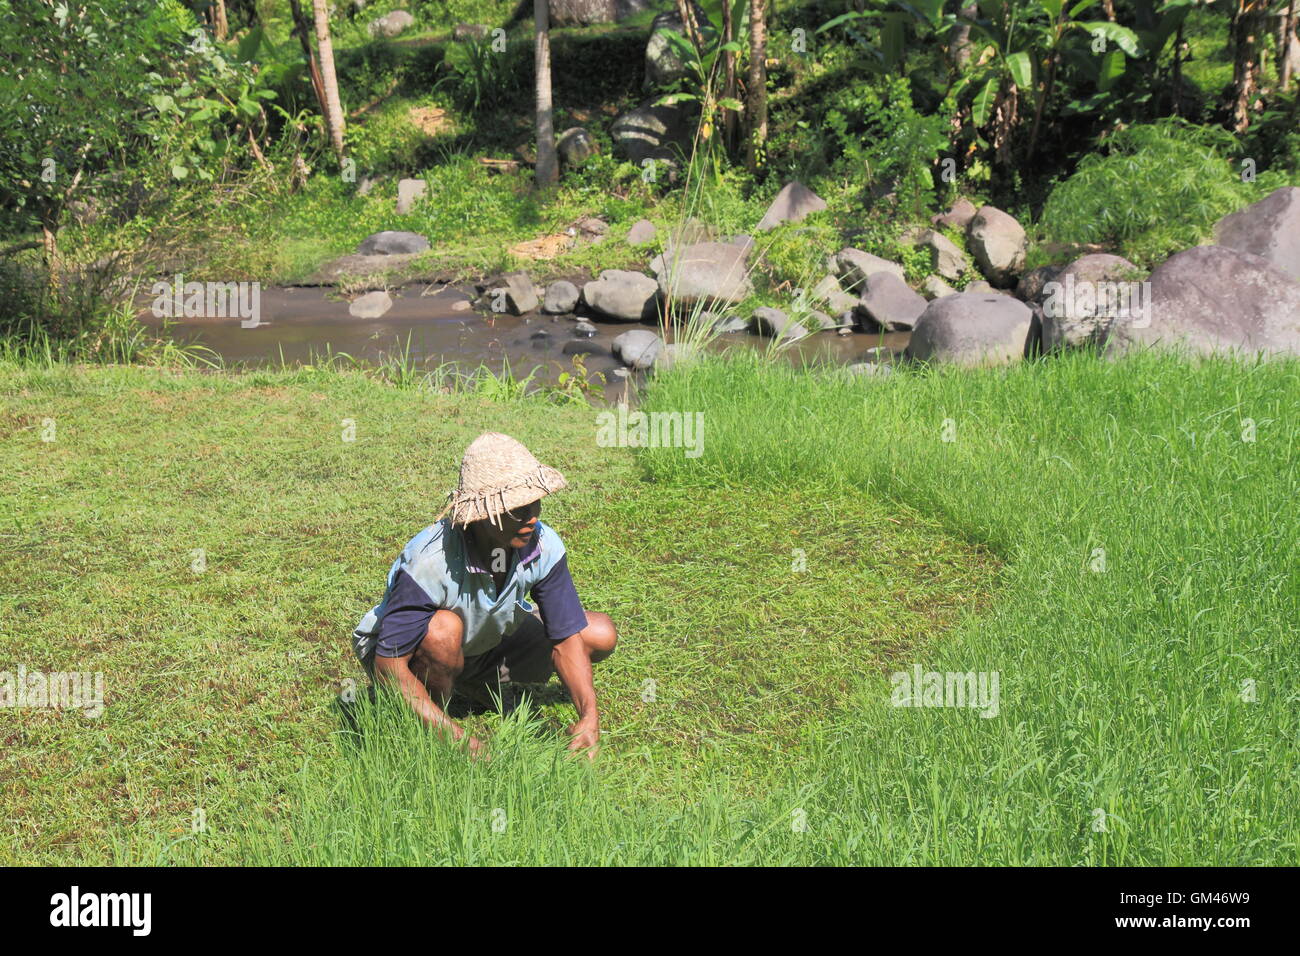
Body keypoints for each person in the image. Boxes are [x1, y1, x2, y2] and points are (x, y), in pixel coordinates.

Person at [351, 432, 617, 760]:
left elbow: (565, 638)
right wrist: (457, 739)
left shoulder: (542, 543)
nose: (531, 517)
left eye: (535, 503)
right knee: (442, 631)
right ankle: (434, 723)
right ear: (482, 514)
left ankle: (474, 684)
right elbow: (389, 663)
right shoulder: (431, 561)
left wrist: (589, 716)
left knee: (598, 632)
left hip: (484, 639)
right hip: (404, 652)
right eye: (517, 509)